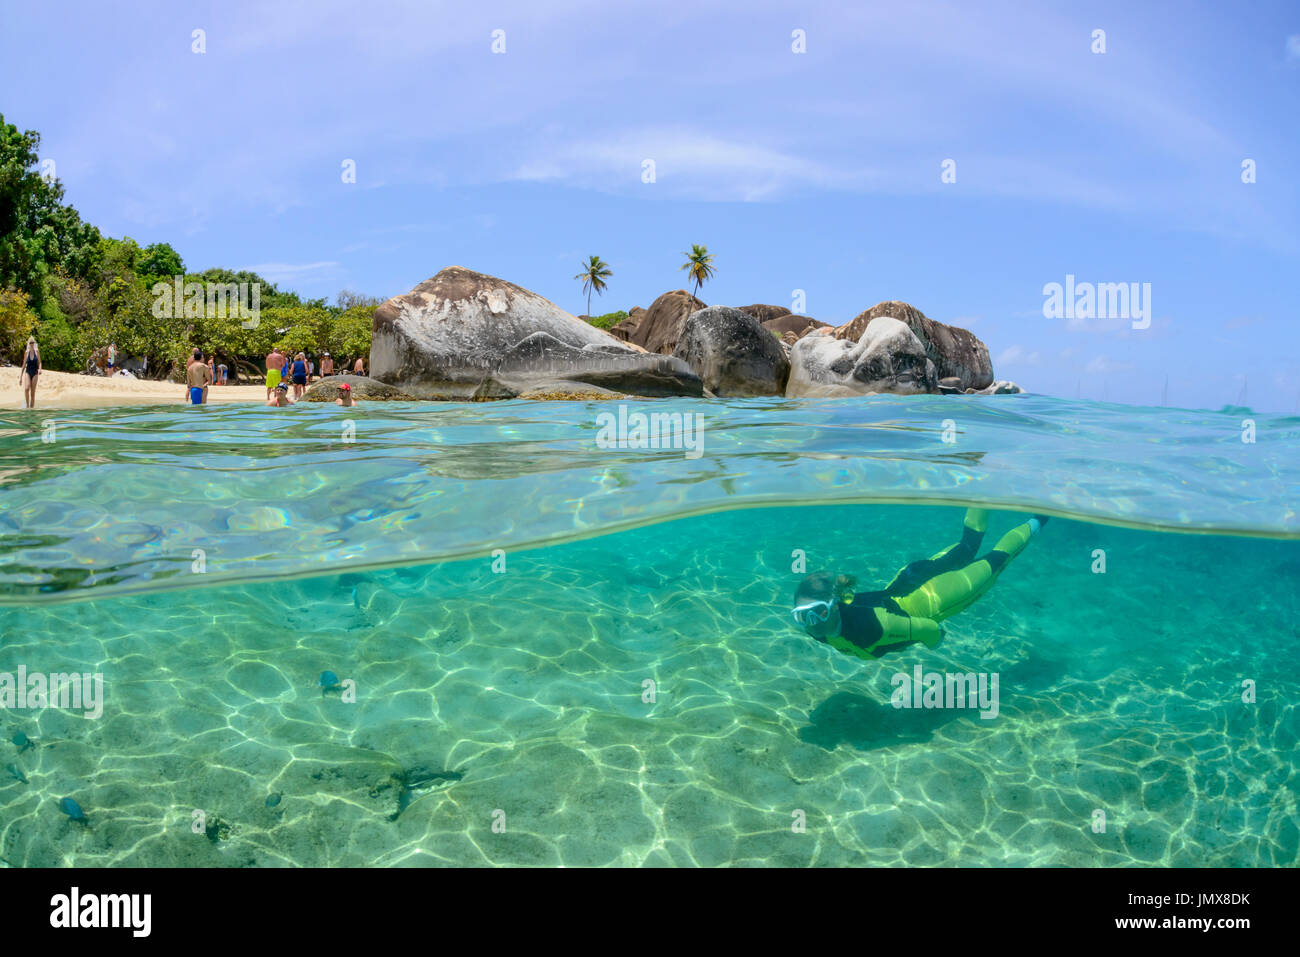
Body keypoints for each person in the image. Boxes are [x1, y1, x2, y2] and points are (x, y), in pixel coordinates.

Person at [790, 508, 1049, 660]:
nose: (812, 623)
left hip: (939, 595)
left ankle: (1041, 517)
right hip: (909, 578)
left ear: (835, 606)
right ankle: (983, 481)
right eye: (802, 617)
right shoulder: (821, 627)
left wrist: (936, 642)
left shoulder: (876, 627)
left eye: (818, 612)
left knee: (998, 559)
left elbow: (927, 628)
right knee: (967, 546)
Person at [20, 336, 41, 409]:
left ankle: (32, 408)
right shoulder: (26, 352)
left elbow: (40, 362)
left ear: (34, 343)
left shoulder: (37, 351)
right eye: (30, 343)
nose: (31, 344)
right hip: (28, 372)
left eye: (33, 342)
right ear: (28, 344)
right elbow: (23, 365)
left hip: (35, 372)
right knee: (26, 389)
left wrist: (40, 369)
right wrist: (20, 378)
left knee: (32, 392)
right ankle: (27, 406)